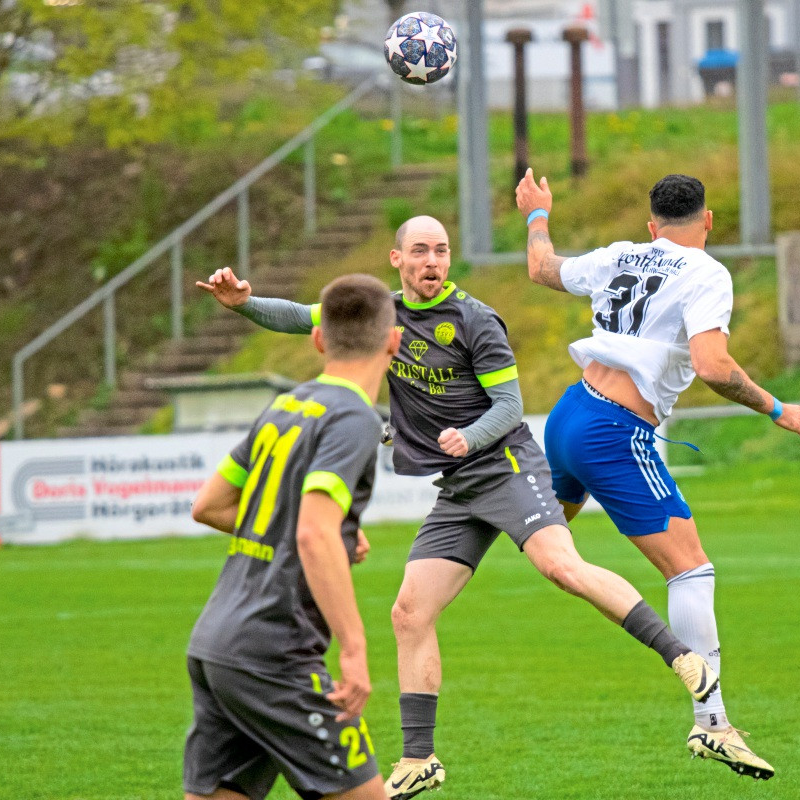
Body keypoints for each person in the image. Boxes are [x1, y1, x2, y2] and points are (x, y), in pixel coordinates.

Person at [196, 215, 719, 800]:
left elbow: (509, 406)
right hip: (459, 486)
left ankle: (683, 659)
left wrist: (469, 437)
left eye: (441, 251)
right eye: (420, 251)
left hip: (505, 465)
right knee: (409, 612)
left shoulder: (474, 319)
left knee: (560, 567)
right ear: (397, 260)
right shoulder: (382, 315)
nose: (432, 261)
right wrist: (243, 303)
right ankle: (419, 757)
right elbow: (299, 317)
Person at [515, 170, 800, 781]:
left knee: (545, 539)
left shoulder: (623, 254)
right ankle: (712, 723)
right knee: (690, 567)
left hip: (568, 413)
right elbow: (713, 366)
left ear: (651, 227)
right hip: (613, 434)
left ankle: (468, 508)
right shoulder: (708, 274)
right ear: (708, 220)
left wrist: (537, 215)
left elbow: (542, 268)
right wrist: (776, 407)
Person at [184, 273, 400, 800]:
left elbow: (209, 506)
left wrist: (324, 535)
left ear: (318, 338)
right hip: (273, 653)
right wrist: (353, 648)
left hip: (216, 644)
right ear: (394, 342)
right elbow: (312, 532)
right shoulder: (355, 419)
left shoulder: (285, 405)